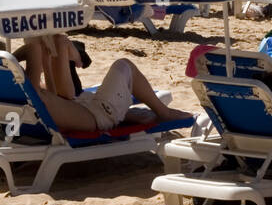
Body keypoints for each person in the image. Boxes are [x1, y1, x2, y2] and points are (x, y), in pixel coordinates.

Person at [16, 34, 192, 132]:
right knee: (124, 65)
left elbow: (61, 97)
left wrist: (36, 57)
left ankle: (128, 114)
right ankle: (164, 112)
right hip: (97, 115)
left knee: (59, 44)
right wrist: (36, 49)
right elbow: (66, 95)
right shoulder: (33, 94)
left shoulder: (13, 95)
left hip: (83, 107)